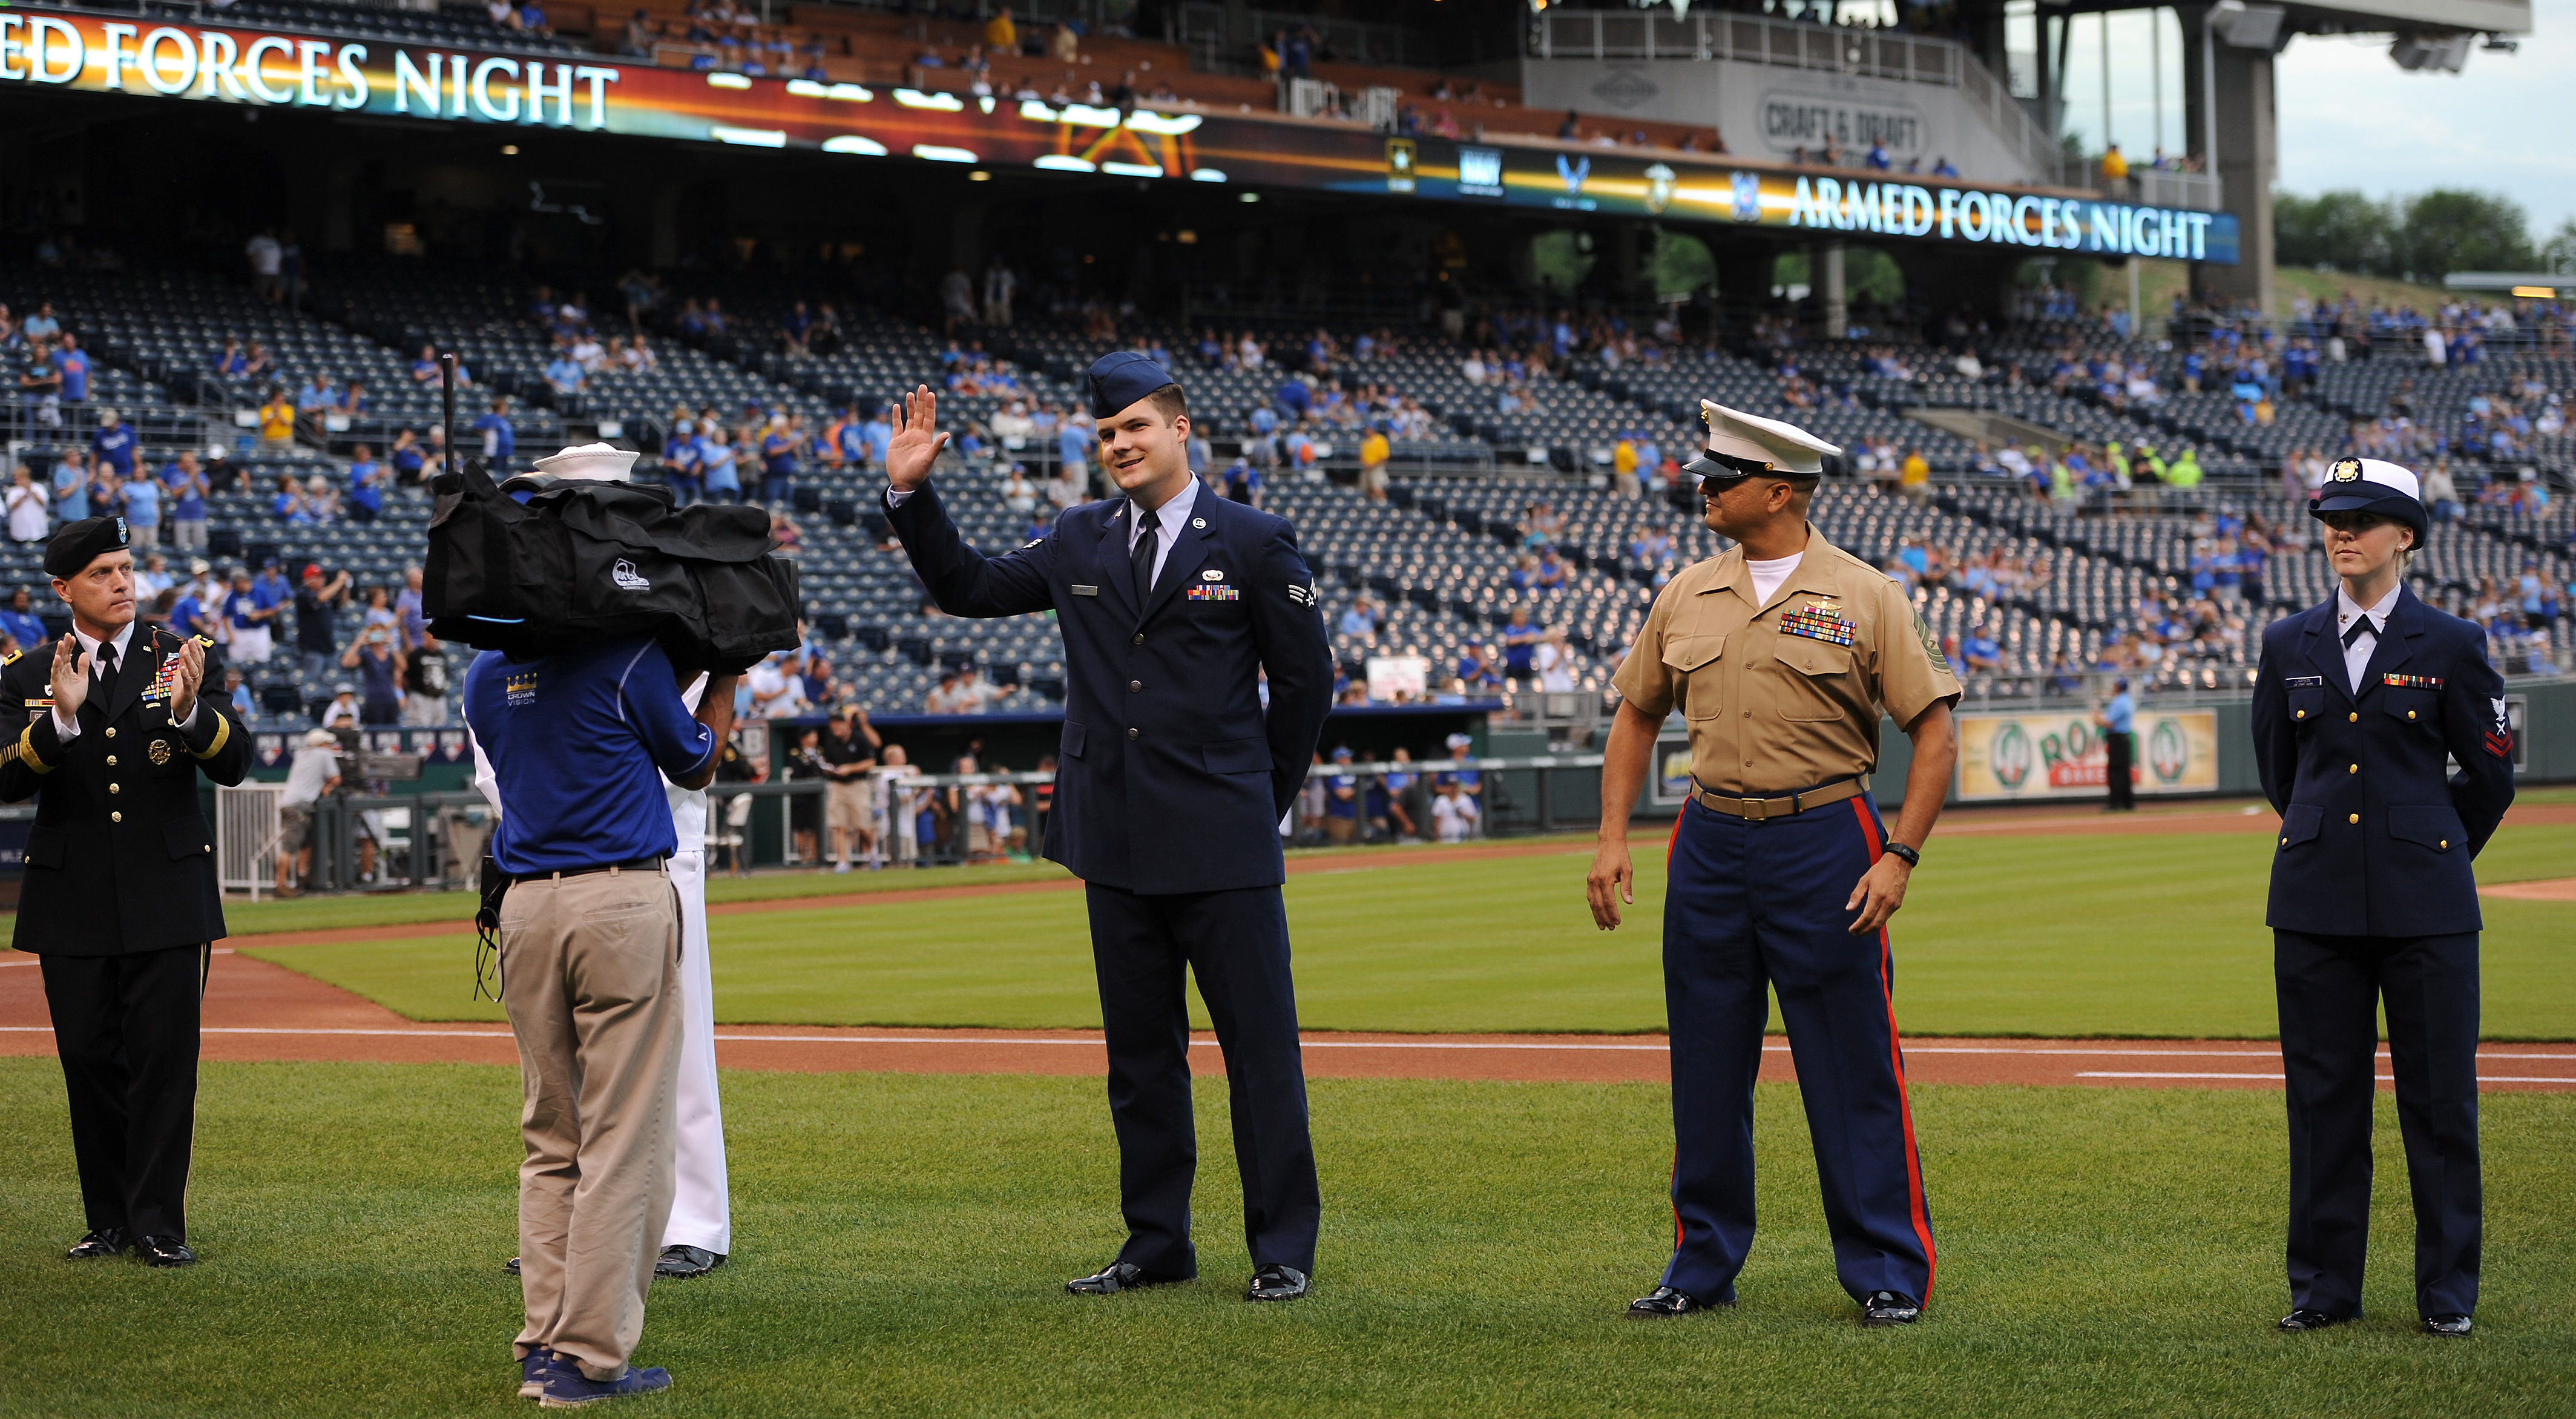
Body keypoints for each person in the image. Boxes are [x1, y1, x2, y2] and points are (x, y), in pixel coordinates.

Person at [881, 353, 1333, 1302]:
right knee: (1140, 1061)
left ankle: (1282, 1248)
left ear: (1179, 428)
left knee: (1260, 1054)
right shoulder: (1078, 535)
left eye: (1134, 427)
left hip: (1223, 840)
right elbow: (967, 587)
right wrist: (910, 495)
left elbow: (1305, 687)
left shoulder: (1254, 539)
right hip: (1112, 839)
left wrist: (1259, 796)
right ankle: (1156, 1243)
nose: (1119, 446)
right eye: (1105, 435)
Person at [1588, 401, 1959, 1328]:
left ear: (1780, 491)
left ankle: (1885, 1268)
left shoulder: (1866, 593)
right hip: (1710, 839)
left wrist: (1901, 855)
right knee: (1706, 1061)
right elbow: (1636, 713)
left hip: (1827, 837)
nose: (1703, 491)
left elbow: (1935, 731)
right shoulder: (1685, 591)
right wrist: (1609, 837)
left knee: (1852, 1062)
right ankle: (1701, 1264)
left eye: (1722, 480)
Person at [2249, 456, 2512, 1338]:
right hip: (2316, 904)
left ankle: (2447, 1294)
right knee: (2324, 1103)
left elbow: (2488, 779)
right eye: (2330, 518)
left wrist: (2424, 855)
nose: (2340, 533)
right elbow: (2282, 776)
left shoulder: (2452, 644)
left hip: (2427, 909)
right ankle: (2324, 1289)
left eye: (2360, 519)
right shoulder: (2288, 643)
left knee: (2440, 1104)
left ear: (2406, 536)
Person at [462, 568, 738, 1404]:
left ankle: (543, 1344)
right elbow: (696, 762)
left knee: (550, 1137)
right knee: (624, 1136)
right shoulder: (627, 657)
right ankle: (589, 1357)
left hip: (524, 907)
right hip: (617, 896)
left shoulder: (484, 673)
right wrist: (724, 674)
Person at [0, 515, 251, 1268]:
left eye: (125, 568)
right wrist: (64, 718)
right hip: (70, 895)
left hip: (167, 893)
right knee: (87, 1058)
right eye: (102, 573)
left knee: (165, 1062)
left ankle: (158, 1224)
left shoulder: (182, 656)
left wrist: (188, 713)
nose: (120, 583)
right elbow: (6, 778)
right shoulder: (28, 673)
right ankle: (105, 1219)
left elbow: (236, 760)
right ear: (63, 588)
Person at [274, 728, 342, 896]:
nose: (329, 746)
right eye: (327, 743)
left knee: (305, 844)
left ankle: (302, 878)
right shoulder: (323, 754)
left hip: (290, 803)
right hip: (299, 806)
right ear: (321, 744)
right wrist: (327, 786)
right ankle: (280, 886)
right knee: (289, 846)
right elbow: (336, 778)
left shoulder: (301, 754)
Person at [818, 706, 881, 871]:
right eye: (833, 724)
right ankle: (843, 862)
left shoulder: (859, 738)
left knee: (863, 825)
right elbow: (826, 762)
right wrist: (830, 769)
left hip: (857, 785)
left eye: (839, 724)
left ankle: (872, 853)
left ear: (847, 724)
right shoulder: (830, 741)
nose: (836, 727)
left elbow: (871, 762)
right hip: (837, 785)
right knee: (840, 825)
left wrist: (850, 768)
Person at [2095, 676, 2135, 811]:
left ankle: (2116, 803)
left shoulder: (2119, 702)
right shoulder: (2128, 701)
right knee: (2124, 771)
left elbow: (2109, 723)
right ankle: (2128, 802)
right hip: (2124, 738)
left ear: (2118, 687)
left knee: (2115, 771)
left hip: (2117, 739)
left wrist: (2096, 716)